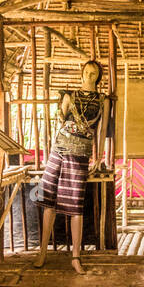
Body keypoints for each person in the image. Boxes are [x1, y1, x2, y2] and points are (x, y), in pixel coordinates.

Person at [34, 59, 104, 274]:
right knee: (49, 201)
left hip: (81, 152)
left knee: (75, 204)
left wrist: (98, 157)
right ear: (81, 73)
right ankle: (43, 252)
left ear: (98, 77)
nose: (89, 76)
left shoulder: (102, 100)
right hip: (59, 149)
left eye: (94, 73)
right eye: (87, 72)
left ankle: (75, 257)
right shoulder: (69, 96)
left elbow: (101, 130)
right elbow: (59, 122)